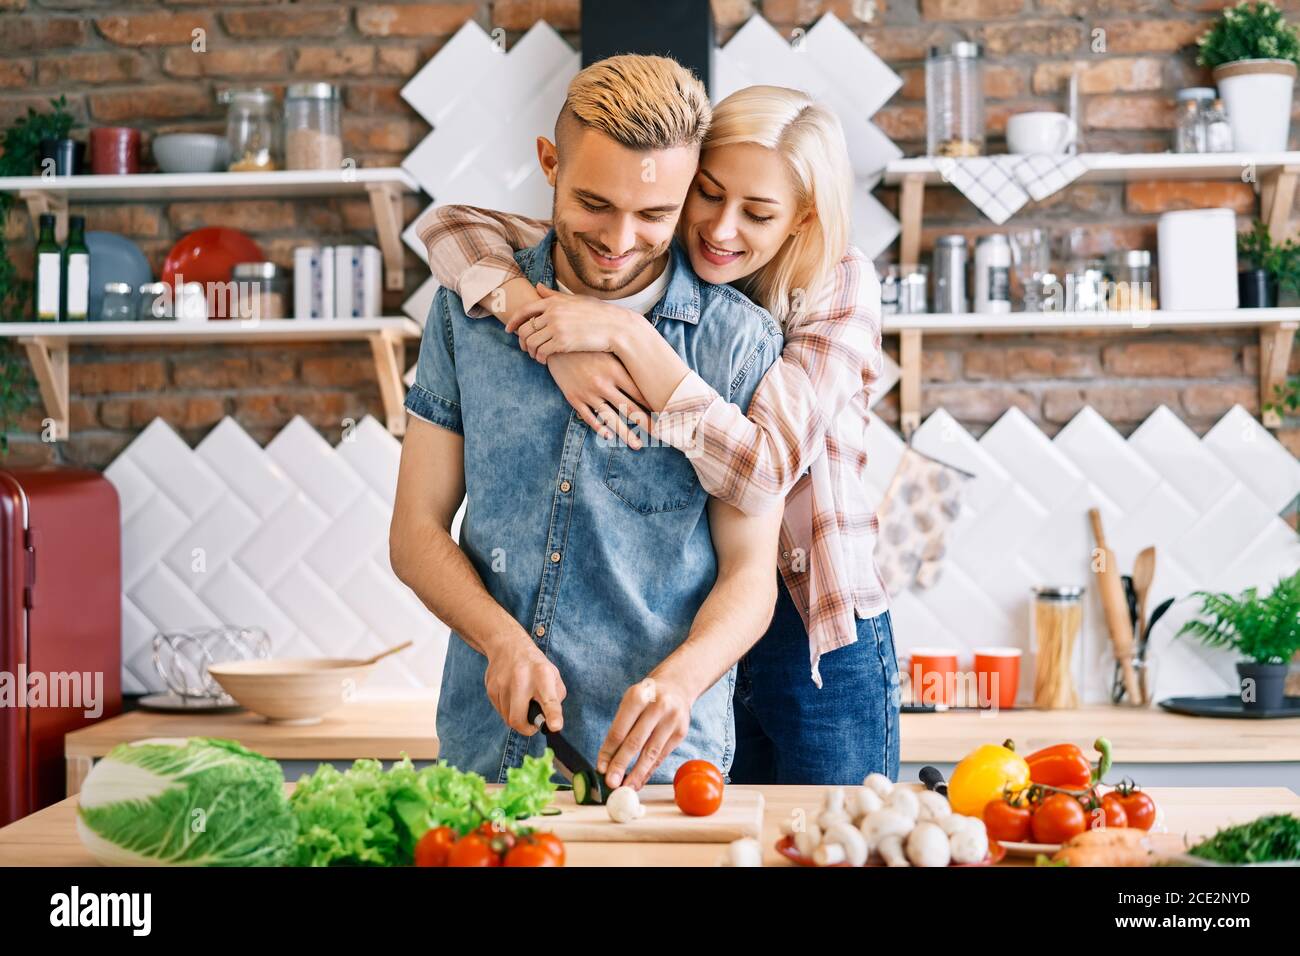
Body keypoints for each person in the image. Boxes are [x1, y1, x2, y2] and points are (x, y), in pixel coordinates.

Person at [414, 84, 899, 785]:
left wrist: (626, 336)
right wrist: (539, 326)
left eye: (757, 213)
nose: (721, 229)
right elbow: (453, 230)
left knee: (825, 843)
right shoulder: (626, 231)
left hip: (812, 632)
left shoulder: (834, 287)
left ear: (798, 222)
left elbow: (763, 474)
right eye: (707, 194)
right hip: (707, 627)